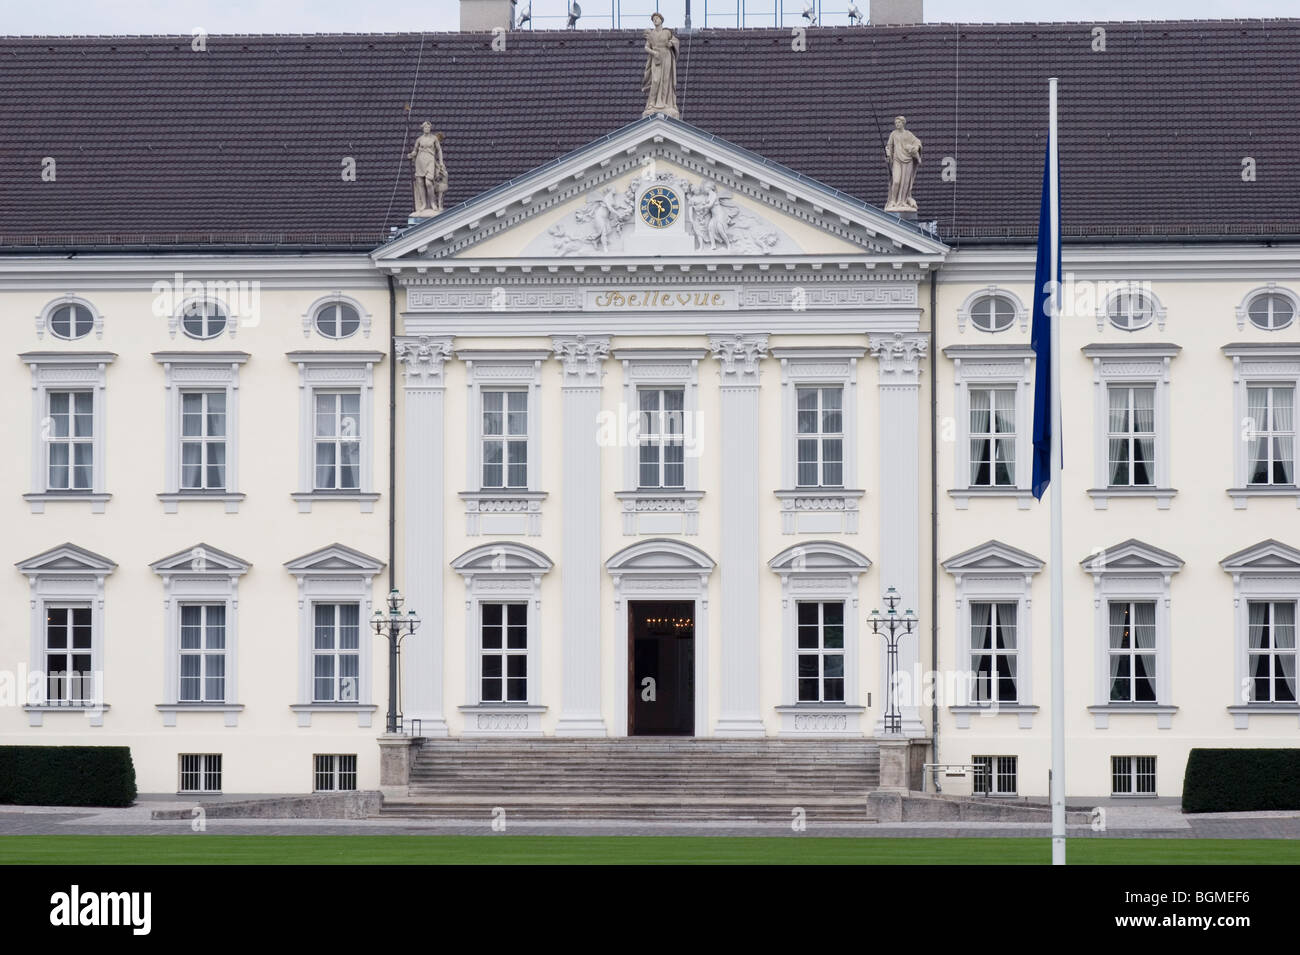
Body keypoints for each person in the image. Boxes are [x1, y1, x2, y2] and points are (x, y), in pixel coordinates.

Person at [642, 13, 680, 118]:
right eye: (653, 19)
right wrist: (653, 53)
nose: (655, 20)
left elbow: (675, 41)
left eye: (657, 18)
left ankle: (664, 103)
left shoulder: (667, 32)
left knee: (666, 79)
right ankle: (652, 103)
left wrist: (671, 43)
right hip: (656, 58)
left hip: (666, 56)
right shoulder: (651, 34)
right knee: (655, 80)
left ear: (661, 20)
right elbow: (646, 47)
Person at [884, 115, 922, 213]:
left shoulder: (908, 134)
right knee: (896, 181)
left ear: (903, 123)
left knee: (905, 182)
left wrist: (916, 148)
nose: (897, 124)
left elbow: (917, 142)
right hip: (897, 159)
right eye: (896, 123)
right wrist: (888, 154)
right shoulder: (893, 134)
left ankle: (903, 201)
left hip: (908, 160)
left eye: (899, 123)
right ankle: (893, 200)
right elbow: (889, 146)